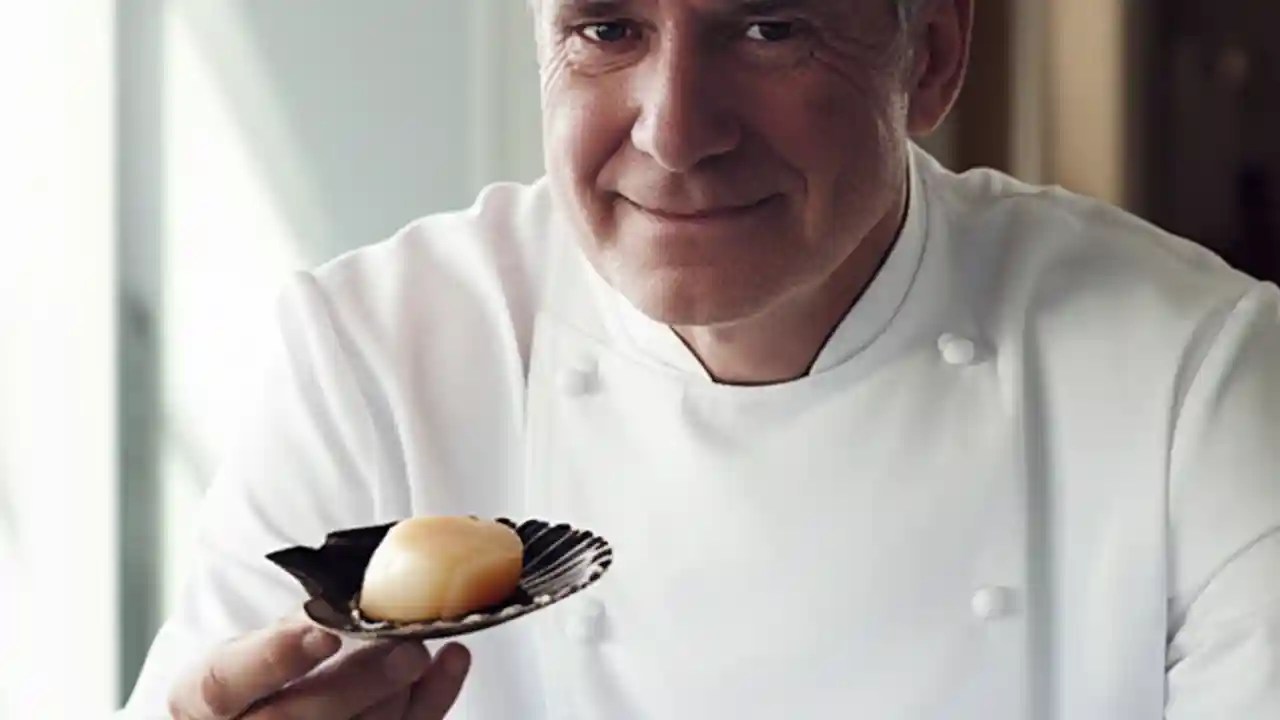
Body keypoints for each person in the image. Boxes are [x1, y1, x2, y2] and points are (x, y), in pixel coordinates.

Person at [126, 0, 1280, 718]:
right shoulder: (371, 351)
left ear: (927, 59)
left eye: (767, 27)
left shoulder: (1198, 375)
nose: (674, 130)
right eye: (606, 28)